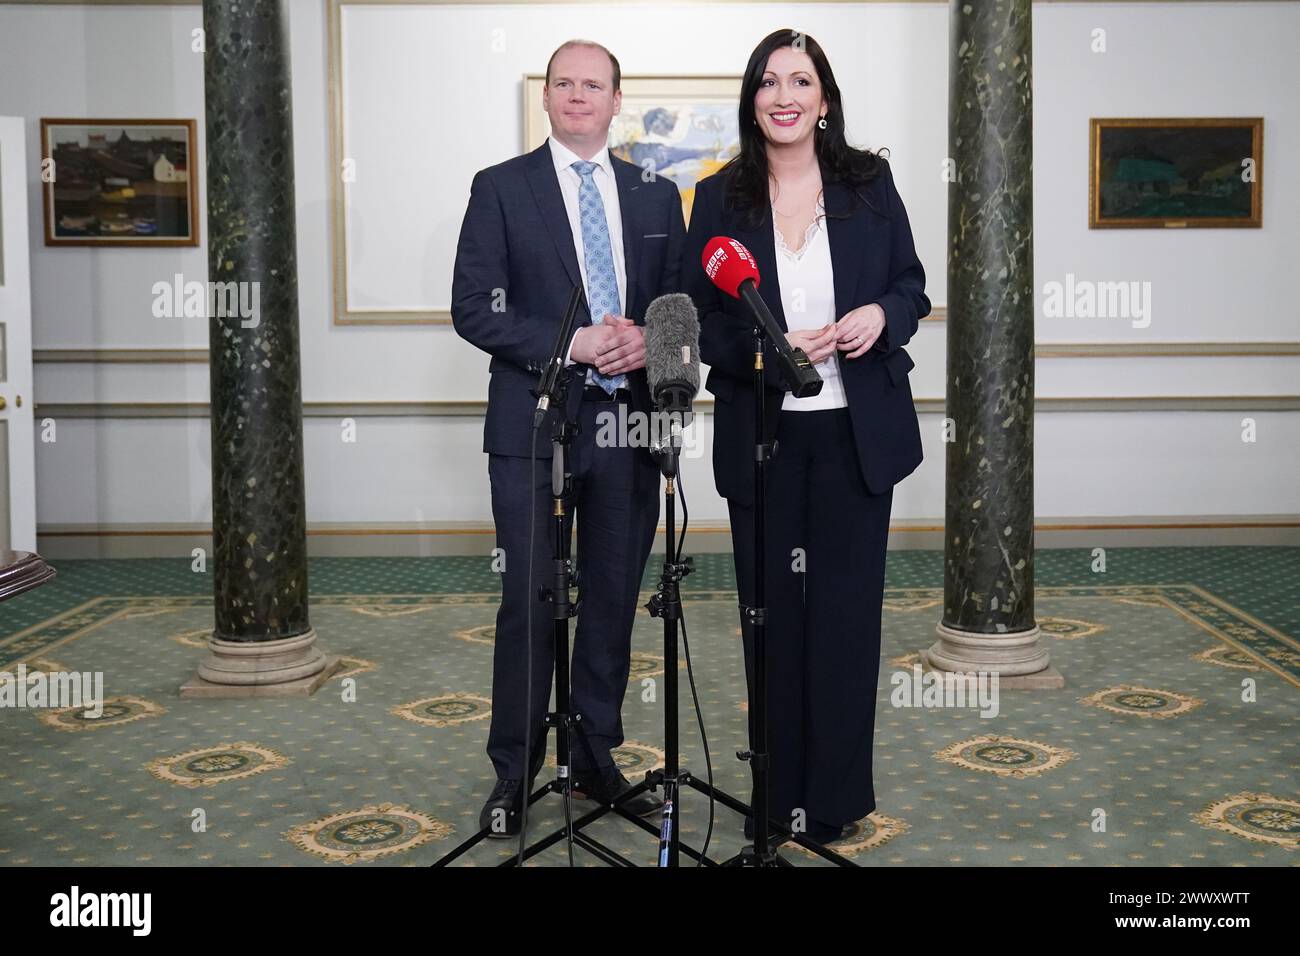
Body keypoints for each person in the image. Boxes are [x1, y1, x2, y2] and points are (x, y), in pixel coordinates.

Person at [683, 29, 929, 845]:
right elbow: (692, 323)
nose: (783, 96)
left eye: (800, 80)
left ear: (824, 99)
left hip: (857, 441)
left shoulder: (869, 182)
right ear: (752, 100)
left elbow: (911, 287)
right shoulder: (720, 197)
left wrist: (879, 317)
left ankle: (836, 799)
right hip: (766, 441)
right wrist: (760, 350)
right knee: (771, 620)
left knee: (846, 621)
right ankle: (778, 796)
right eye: (767, 82)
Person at [451, 39, 685, 837]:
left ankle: (595, 757)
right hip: (534, 428)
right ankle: (515, 773)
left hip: (630, 424)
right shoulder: (501, 189)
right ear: (546, 98)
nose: (579, 95)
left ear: (618, 101)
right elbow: (473, 309)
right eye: (565, 83)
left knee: (615, 598)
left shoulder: (657, 197)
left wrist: (645, 346)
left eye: (595, 84)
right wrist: (575, 344)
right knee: (531, 601)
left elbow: (677, 311)